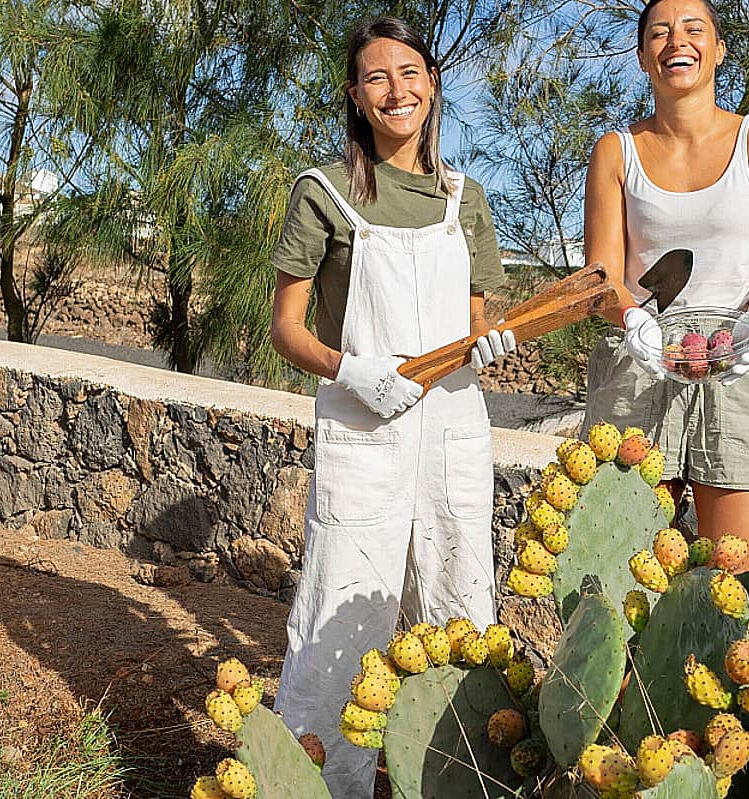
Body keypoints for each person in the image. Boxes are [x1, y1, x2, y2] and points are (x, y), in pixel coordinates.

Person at [268, 16, 514, 797]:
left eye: (409, 73)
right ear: (354, 94)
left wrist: (491, 342)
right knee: (340, 617)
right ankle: (315, 785)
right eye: (376, 77)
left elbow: (483, 320)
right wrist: (353, 370)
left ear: (432, 84)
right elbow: (285, 328)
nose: (395, 91)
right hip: (362, 427)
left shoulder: (463, 199)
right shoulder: (325, 193)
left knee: (461, 601)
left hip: (452, 431)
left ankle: (463, 779)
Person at [583, 0, 749, 568]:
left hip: (736, 365)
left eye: (693, 29)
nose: (677, 41)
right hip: (640, 361)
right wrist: (632, 320)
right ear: (642, 57)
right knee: (618, 575)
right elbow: (601, 276)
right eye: (660, 32)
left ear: (719, 50)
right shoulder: (615, 152)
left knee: (734, 580)